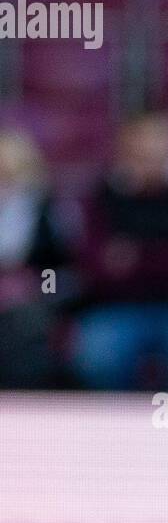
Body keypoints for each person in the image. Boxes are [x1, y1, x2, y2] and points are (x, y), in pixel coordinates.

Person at [74, 110, 168, 389]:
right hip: (118, 309)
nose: (149, 164)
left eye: (157, 154)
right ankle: (112, 429)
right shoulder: (102, 198)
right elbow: (94, 269)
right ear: (123, 156)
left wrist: (135, 258)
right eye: (139, 155)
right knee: (96, 354)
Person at [0, 127, 73, 387]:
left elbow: (59, 260)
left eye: (9, 171)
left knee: (25, 318)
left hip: (34, 290)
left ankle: (23, 394)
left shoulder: (46, 208)